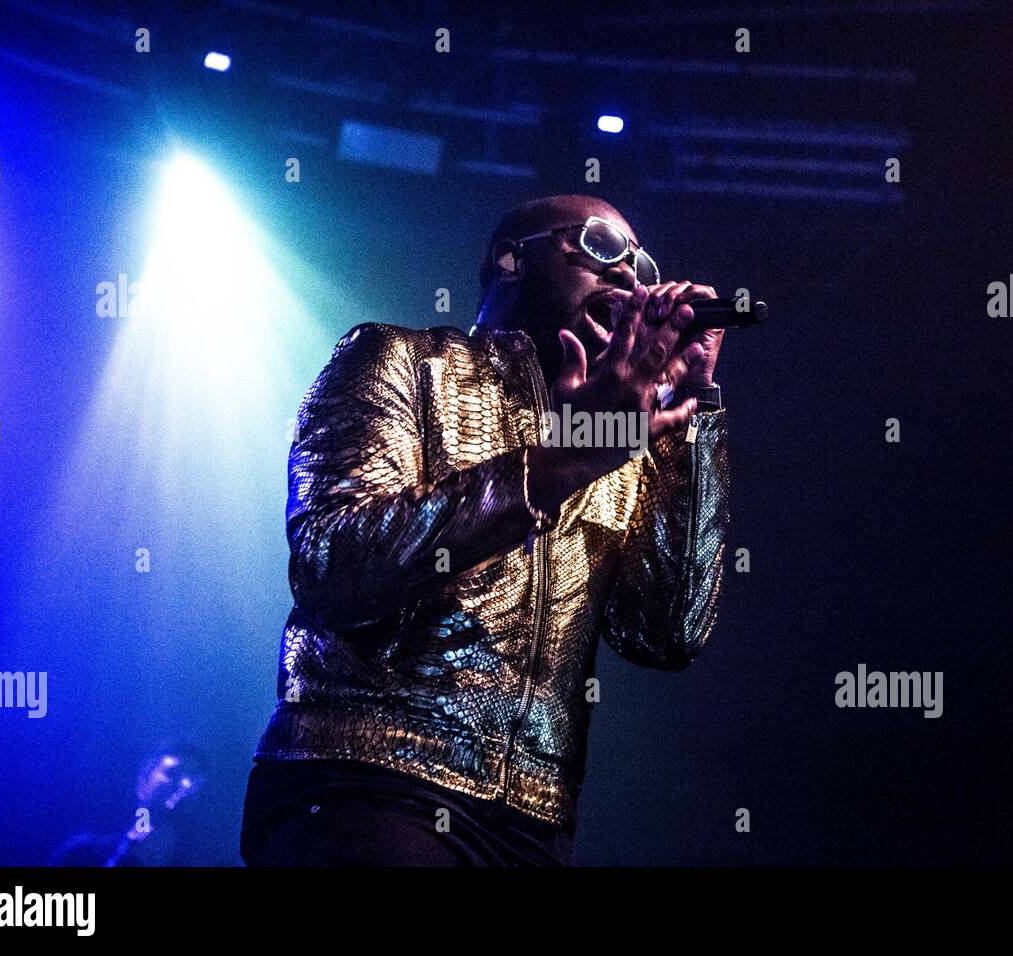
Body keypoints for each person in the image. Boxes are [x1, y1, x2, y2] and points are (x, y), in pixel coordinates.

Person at [241, 194, 730, 866]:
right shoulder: (400, 360)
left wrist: (693, 410)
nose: (630, 277)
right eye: (602, 247)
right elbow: (334, 563)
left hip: (533, 825)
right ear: (511, 258)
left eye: (640, 264)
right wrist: (565, 458)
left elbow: (665, 634)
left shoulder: (620, 439)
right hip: (372, 782)